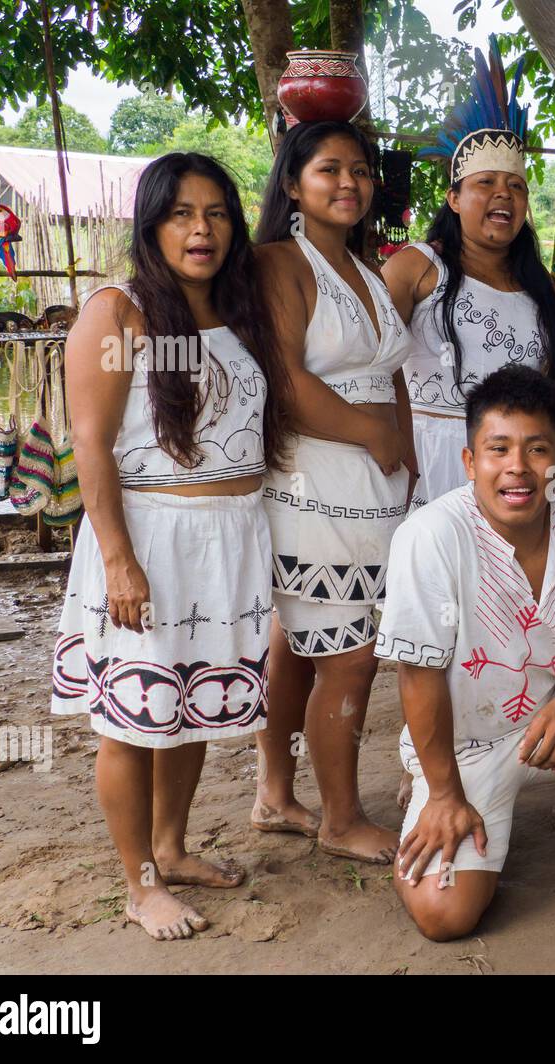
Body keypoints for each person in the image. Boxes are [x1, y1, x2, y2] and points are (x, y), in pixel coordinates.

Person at [51, 152, 291, 940]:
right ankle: (139, 881)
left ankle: (173, 848)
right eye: (183, 213)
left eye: (218, 213)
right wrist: (118, 558)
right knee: (130, 719)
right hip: (151, 537)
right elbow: (89, 443)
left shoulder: (236, 310)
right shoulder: (117, 312)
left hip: (227, 538)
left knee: (186, 707)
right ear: (151, 223)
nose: (201, 230)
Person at [375, 366, 555, 941]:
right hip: (461, 749)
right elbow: (418, 672)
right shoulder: (430, 536)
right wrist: (445, 793)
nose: (517, 468)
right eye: (498, 449)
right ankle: (427, 779)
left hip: (553, 726)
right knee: (444, 915)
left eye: (536, 450)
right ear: (468, 462)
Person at [249, 120, 415, 864]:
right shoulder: (279, 263)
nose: (349, 182)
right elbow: (283, 381)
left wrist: (403, 451)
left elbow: (395, 374)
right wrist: (372, 434)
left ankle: (276, 791)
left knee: (312, 642)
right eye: (329, 169)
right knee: (349, 656)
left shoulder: (367, 268)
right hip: (314, 480)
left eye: (361, 170)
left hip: (378, 487)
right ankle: (341, 819)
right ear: (292, 183)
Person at [382, 36, 555, 512]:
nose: (503, 196)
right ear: (453, 198)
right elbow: (371, 356)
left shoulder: (534, 282)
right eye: (485, 184)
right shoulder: (418, 266)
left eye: (515, 186)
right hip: (430, 458)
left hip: (515, 469)